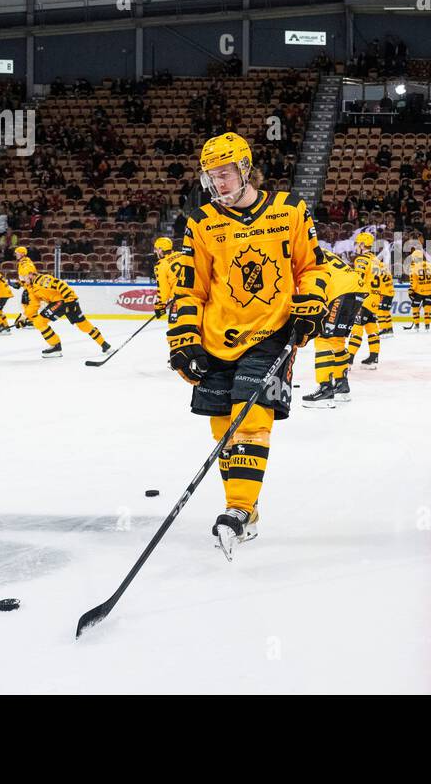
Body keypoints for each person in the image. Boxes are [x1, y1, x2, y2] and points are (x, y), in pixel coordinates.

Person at [166, 132, 328, 559]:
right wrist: (183, 340)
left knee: (250, 420)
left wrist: (310, 304)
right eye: (210, 176)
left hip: (271, 332)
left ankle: (237, 510)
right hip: (218, 337)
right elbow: (189, 290)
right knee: (223, 427)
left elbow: (312, 266)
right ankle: (247, 510)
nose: (217, 183)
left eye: (223, 173)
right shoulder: (201, 223)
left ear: (245, 168)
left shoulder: (289, 210)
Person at [302, 249, 368, 408]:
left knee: (323, 338)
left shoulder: (298, 250)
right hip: (357, 290)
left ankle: (325, 389)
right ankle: (341, 386)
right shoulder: (317, 248)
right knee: (338, 340)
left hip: (339, 292)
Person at [16, 266, 110, 357]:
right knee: (39, 322)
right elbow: (34, 305)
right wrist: (24, 318)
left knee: (83, 326)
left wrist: (70, 297)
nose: (23, 280)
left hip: (65, 301)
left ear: (31, 274)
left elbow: (59, 284)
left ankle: (104, 345)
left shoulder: (42, 280)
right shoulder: (31, 288)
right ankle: (56, 346)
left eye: (24, 277)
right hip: (61, 303)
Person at [348, 232, 384, 370]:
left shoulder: (361, 260)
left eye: (358, 243)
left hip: (364, 297)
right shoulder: (376, 260)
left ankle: (349, 360)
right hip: (375, 297)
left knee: (356, 328)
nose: (356, 246)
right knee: (371, 327)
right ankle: (373, 358)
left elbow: (359, 279)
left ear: (363, 244)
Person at [152, 236, 191, 321]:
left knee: (176, 329)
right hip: (195, 295)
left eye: (156, 249)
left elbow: (163, 290)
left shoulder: (160, 266)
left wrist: (160, 305)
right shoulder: (182, 254)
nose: (155, 251)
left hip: (179, 300)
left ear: (160, 249)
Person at [404, 247, 431, 330]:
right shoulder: (429, 265)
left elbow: (413, 282)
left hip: (418, 291)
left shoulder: (413, 267)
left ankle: (417, 325)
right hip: (429, 291)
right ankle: (427, 325)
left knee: (415, 307)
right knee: (427, 308)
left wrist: (411, 290)